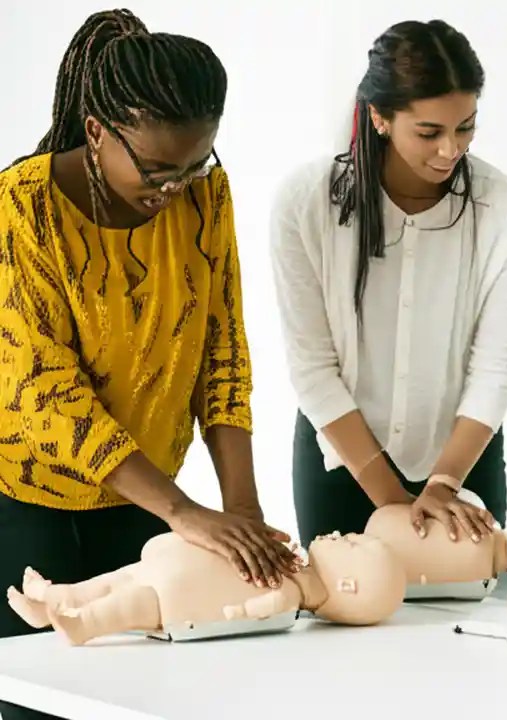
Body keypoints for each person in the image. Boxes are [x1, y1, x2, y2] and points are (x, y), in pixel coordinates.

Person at [0, 9, 297, 719]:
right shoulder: (21, 211)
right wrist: (185, 511)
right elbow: (44, 392)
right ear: (98, 131)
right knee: (34, 702)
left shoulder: (204, 197)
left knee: (140, 699)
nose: (177, 186)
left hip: (145, 503)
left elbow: (223, 351)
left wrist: (241, 509)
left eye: (198, 163)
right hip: (26, 508)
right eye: (160, 168)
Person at [271, 19, 507, 547]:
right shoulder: (305, 204)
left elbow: (495, 369)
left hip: (461, 462)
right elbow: (312, 368)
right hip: (342, 461)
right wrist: (396, 506)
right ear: (379, 116)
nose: (451, 149)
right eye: (429, 132)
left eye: (465, 126)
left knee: (464, 620)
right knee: (350, 616)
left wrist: (442, 485)